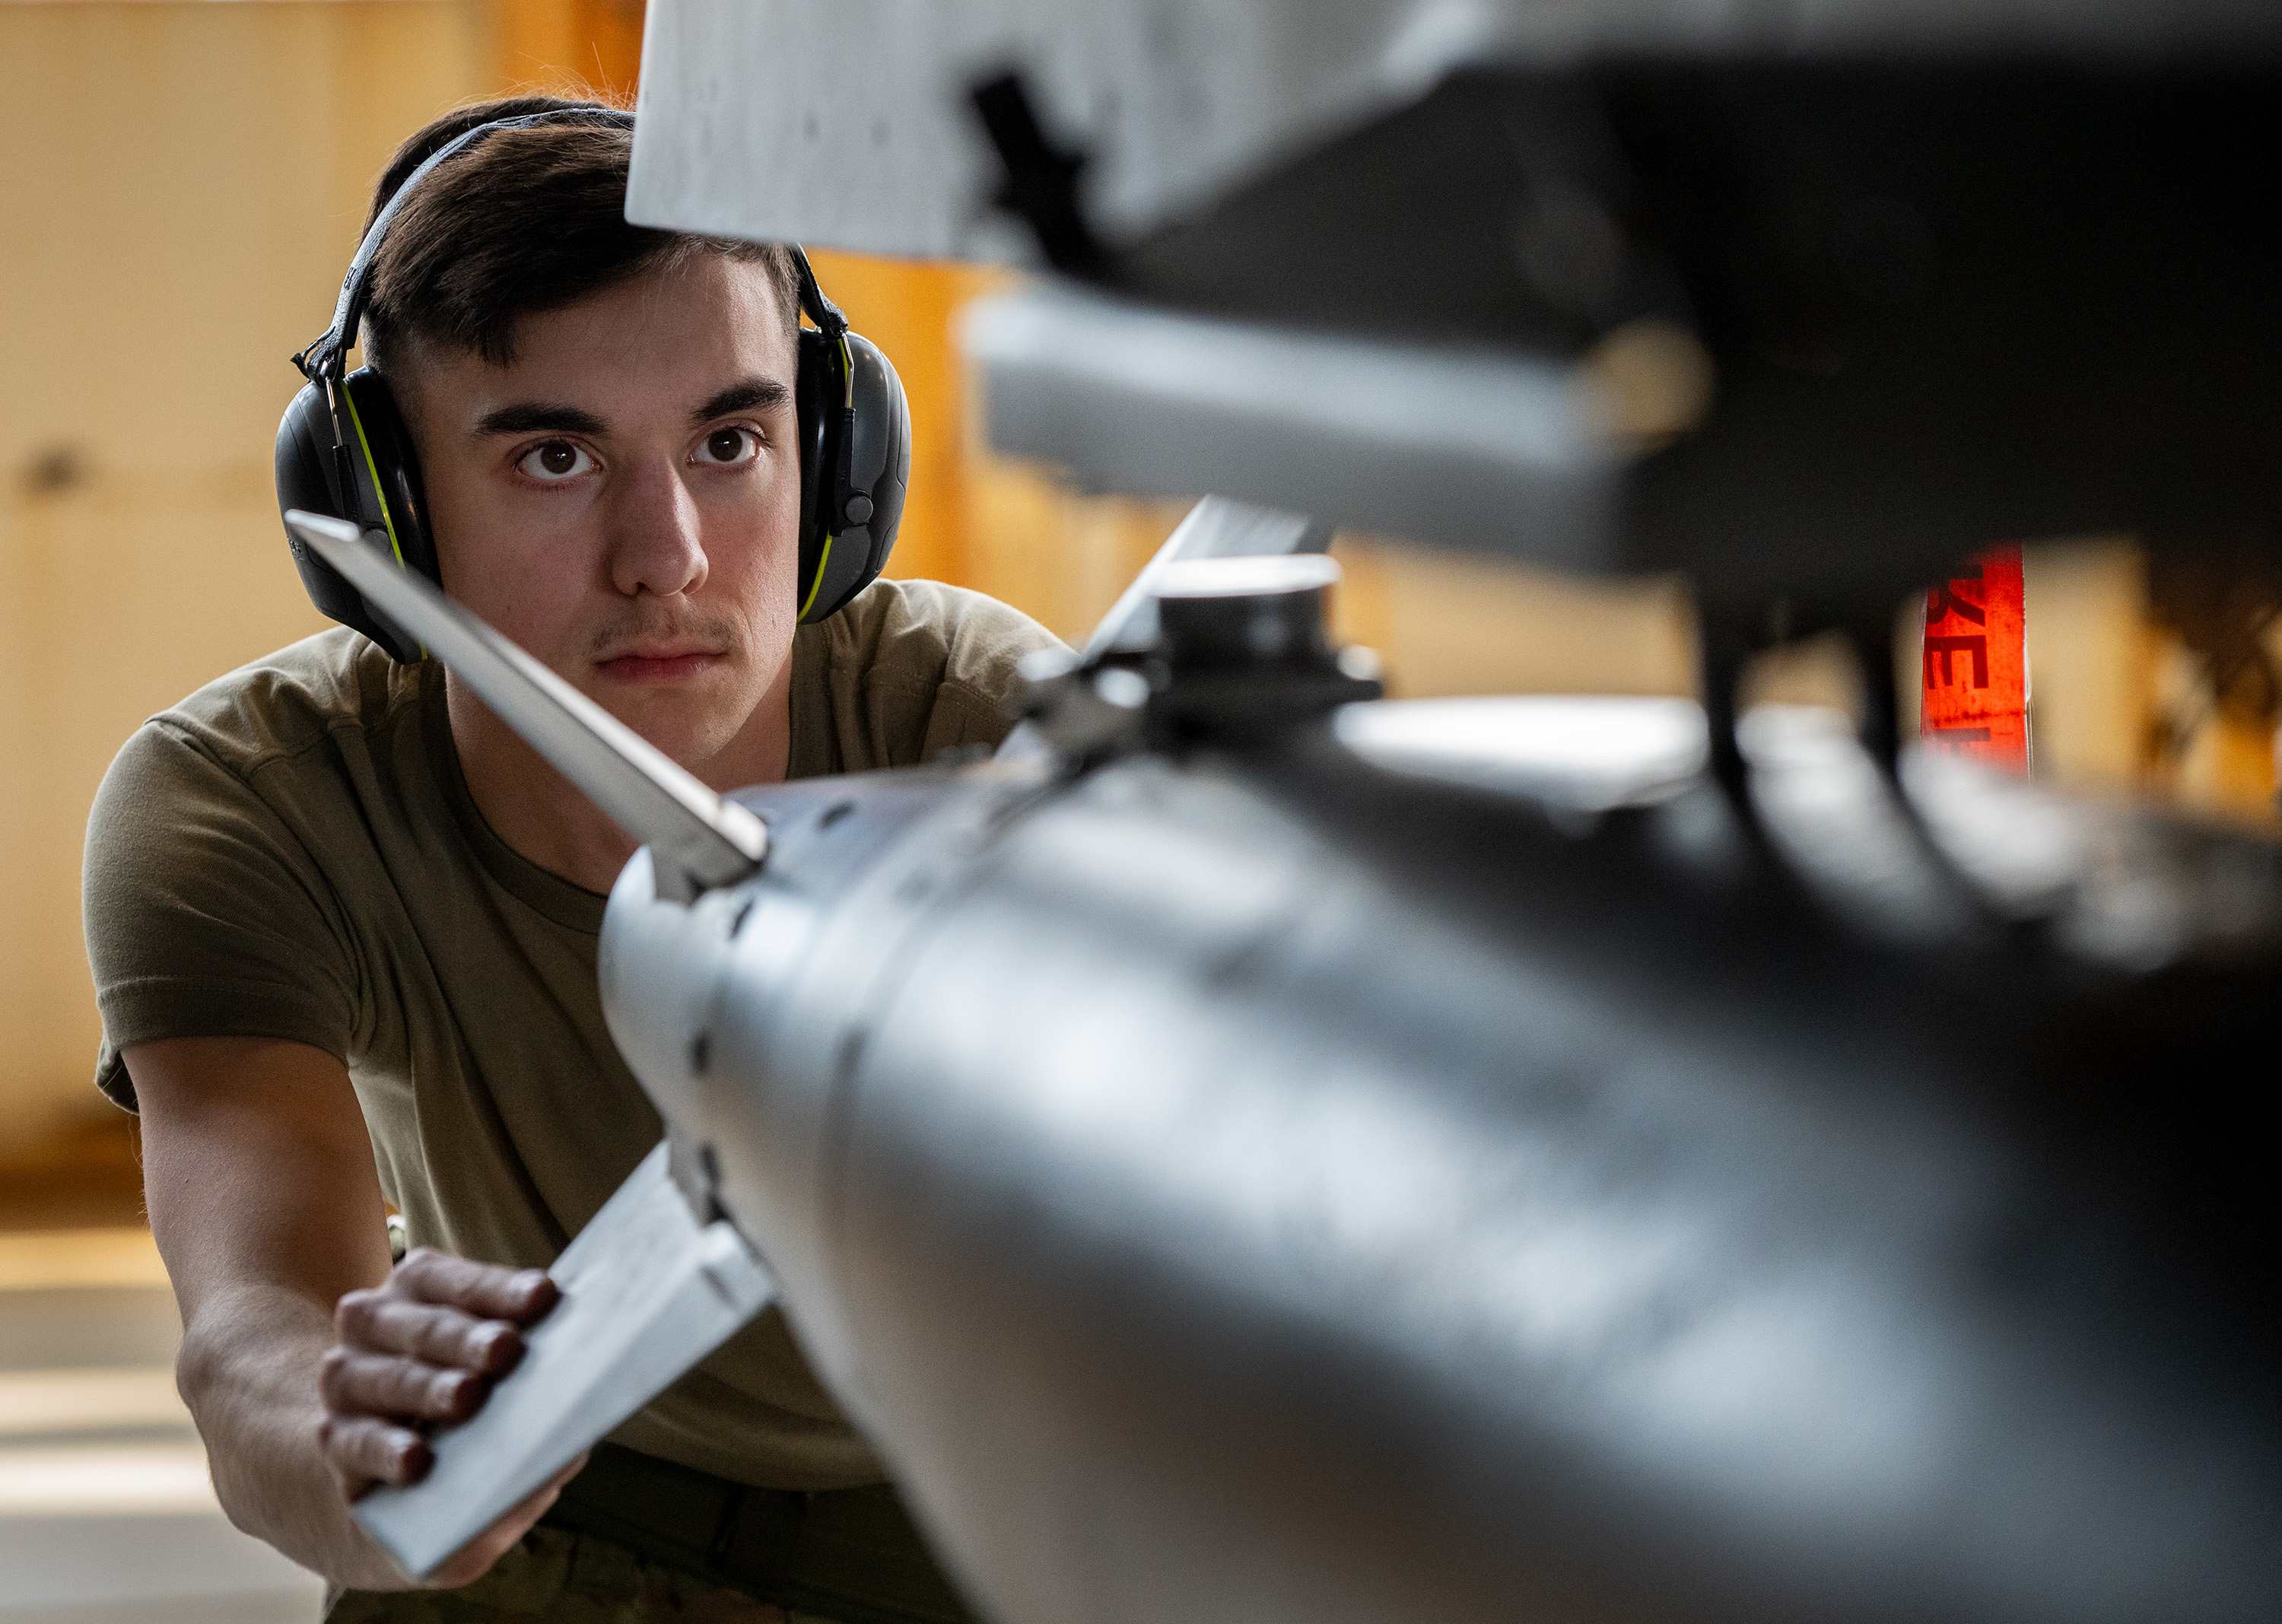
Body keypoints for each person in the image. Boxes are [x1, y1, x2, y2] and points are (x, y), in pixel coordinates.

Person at [81, 94, 1058, 1622]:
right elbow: (254, 1331)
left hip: (980, 1522)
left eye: (733, 441)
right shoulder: (250, 797)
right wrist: (342, 1440)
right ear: (388, 505)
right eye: (555, 458)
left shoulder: (980, 727)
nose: (665, 554)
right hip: (521, 1495)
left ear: (833, 460)